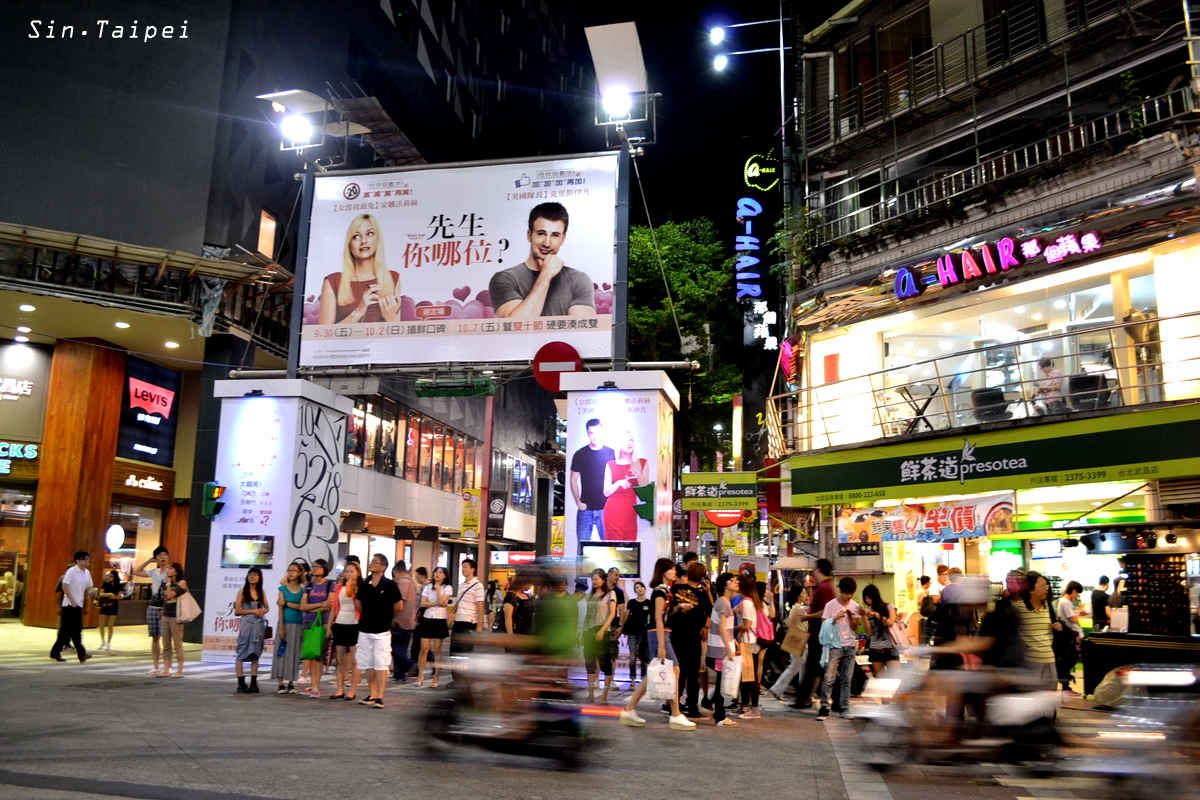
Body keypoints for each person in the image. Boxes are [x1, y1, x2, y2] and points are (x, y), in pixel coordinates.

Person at [618, 558, 696, 731]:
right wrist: (661, 644)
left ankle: (629, 709)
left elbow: (661, 615)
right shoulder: (660, 591)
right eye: (672, 569)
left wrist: (678, 607)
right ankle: (675, 715)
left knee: (653, 674)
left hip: (659, 634)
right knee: (674, 670)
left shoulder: (664, 590)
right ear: (663, 572)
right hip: (659, 634)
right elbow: (658, 619)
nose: (675, 571)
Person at [488, 202, 595, 318]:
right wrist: (546, 275)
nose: (547, 243)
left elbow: (582, 331)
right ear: (529, 235)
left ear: (563, 239)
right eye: (541, 234)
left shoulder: (578, 280)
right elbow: (516, 326)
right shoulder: (505, 279)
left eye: (555, 235)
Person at [318, 213, 401, 324]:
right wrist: (358, 312)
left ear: (378, 239)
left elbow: (396, 334)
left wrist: (391, 318)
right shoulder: (333, 281)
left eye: (370, 234)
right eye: (356, 236)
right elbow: (323, 335)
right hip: (344, 342)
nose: (363, 241)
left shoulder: (393, 278)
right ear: (349, 245)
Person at [355, 553, 402, 709]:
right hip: (365, 628)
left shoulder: (390, 585)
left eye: (375, 562)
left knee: (381, 663)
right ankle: (372, 693)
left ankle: (380, 696)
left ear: (383, 567)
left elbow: (399, 606)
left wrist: (388, 618)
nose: (371, 564)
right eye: (371, 561)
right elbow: (358, 604)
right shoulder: (364, 583)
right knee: (367, 663)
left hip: (382, 630)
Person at [817, 577, 866, 721]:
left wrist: (851, 618)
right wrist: (835, 618)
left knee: (847, 679)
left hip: (850, 646)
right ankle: (824, 707)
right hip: (834, 646)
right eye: (846, 593)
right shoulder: (830, 605)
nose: (849, 596)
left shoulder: (855, 606)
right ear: (840, 590)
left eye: (851, 593)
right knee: (828, 678)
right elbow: (824, 625)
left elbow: (855, 628)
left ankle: (845, 708)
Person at [792, 558, 836, 710]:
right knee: (819, 668)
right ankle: (807, 698)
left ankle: (803, 699)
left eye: (815, 569)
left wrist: (807, 617)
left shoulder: (824, 588)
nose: (813, 572)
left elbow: (826, 611)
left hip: (819, 635)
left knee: (813, 668)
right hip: (820, 634)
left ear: (819, 570)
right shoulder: (826, 587)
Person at [1014, 571, 1063, 689]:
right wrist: (1025, 646)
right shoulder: (1018, 608)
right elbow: (1010, 634)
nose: (1046, 589)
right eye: (1042, 585)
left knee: (1049, 696)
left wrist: (1059, 626)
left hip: (1049, 658)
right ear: (1031, 589)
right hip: (1030, 661)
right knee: (1031, 696)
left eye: (1047, 585)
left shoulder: (1048, 606)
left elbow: (1055, 625)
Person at [706, 572, 741, 727]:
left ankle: (716, 710)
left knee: (721, 682)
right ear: (725, 584)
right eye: (733, 581)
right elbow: (721, 627)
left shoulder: (724, 601)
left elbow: (725, 627)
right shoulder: (723, 602)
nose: (736, 582)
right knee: (721, 683)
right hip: (720, 650)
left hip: (720, 647)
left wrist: (733, 641)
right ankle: (720, 716)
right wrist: (730, 649)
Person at [766, 580, 811, 701]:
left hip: (798, 640)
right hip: (799, 640)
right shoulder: (797, 609)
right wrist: (803, 635)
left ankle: (781, 690)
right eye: (803, 593)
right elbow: (791, 625)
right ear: (798, 595)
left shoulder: (797, 608)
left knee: (797, 667)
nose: (806, 595)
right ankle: (782, 690)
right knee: (798, 667)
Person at [602, 431, 648, 542]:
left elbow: (646, 490)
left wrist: (639, 476)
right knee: (612, 545)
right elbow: (606, 492)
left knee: (630, 545)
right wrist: (617, 484)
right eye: (625, 441)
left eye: (631, 440)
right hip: (613, 511)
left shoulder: (642, 463)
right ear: (619, 444)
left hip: (631, 512)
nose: (629, 443)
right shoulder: (611, 464)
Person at [299, 559, 336, 698]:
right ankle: (312, 685)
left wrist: (314, 607)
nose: (315, 569)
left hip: (323, 624)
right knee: (310, 655)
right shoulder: (308, 586)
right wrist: (320, 604)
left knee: (319, 656)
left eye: (318, 567)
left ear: (324, 569)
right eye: (313, 566)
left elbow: (329, 606)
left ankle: (316, 687)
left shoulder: (330, 585)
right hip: (308, 623)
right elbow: (303, 607)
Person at [50, 551, 94, 664]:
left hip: (79, 605)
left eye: (88, 558)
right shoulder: (72, 571)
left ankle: (55, 652)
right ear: (78, 560)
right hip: (70, 605)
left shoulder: (87, 573)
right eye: (84, 559)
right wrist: (73, 601)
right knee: (75, 631)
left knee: (67, 632)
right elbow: (64, 586)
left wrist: (92, 593)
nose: (87, 561)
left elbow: (90, 586)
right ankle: (82, 653)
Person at [133, 546, 170, 675]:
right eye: (159, 555)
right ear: (156, 558)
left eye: (165, 555)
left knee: (166, 638)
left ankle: (167, 666)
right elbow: (136, 572)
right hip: (152, 607)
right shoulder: (154, 571)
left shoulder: (171, 571)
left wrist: (165, 607)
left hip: (165, 607)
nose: (162, 557)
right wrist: (148, 561)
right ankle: (156, 666)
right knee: (155, 638)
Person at [582, 568, 617, 703]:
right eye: (592, 579)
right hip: (589, 631)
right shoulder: (589, 595)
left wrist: (602, 630)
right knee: (590, 662)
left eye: (596, 579)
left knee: (605, 663)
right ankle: (590, 693)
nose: (594, 582)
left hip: (603, 631)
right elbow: (587, 615)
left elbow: (613, 614)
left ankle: (604, 695)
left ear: (603, 580)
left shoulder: (610, 594)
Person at [233, 567, 269, 694]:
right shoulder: (242, 592)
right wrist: (253, 611)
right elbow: (237, 611)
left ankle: (254, 682)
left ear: (260, 577)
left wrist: (263, 611)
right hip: (247, 624)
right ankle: (241, 682)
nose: (252, 576)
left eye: (255, 574)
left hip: (258, 625)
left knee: (256, 653)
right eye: (250, 574)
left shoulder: (261, 592)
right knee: (241, 652)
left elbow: (267, 607)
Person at [329, 560, 361, 701]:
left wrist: (353, 589)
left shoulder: (360, 588)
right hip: (340, 622)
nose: (348, 574)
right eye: (347, 571)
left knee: (355, 660)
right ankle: (340, 689)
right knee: (340, 659)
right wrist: (329, 626)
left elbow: (360, 605)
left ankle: (352, 690)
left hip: (355, 623)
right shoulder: (338, 588)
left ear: (358, 573)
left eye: (352, 571)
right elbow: (334, 608)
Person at [271, 562, 306, 694]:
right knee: (281, 653)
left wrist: (287, 603)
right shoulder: (282, 589)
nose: (291, 573)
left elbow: (301, 607)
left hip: (298, 624)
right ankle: (280, 684)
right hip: (284, 623)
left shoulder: (303, 590)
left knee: (294, 653)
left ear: (299, 573)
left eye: (294, 570)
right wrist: (281, 627)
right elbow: (280, 607)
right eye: (289, 570)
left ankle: (291, 683)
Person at [734, 573, 763, 720]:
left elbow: (746, 625)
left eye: (738, 583)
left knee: (750, 678)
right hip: (750, 642)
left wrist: (732, 629)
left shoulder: (746, 603)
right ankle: (745, 705)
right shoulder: (750, 601)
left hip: (748, 643)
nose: (736, 585)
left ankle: (755, 709)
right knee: (746, 677)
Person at [417, 566, 451, 688]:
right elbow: (423, 603)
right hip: (427, 618)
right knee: (424, 648)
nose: (437, 574)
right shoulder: (426, 587)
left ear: (445, 576)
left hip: (440, 620)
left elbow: (443, 601)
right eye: (436, 572)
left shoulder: (448, 588)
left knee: (437, 650)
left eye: (440, 573)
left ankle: (436, 676)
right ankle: (420, 675)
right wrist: (437, 604)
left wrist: (437, 589)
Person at [861, 584, 900, 677]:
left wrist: (877, 615)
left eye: (869, 598)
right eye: (865, 598)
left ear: (875, 596)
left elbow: (890, 622)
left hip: (890, 648)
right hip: (875, 649)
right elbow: (870, 632)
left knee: (896, 678)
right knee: (881, 680)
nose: (867, 601)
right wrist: (863, 616)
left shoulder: (889, 606)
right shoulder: (868, 612)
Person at [449, 558, 486, 657]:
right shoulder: (461, 585)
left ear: (472, 569)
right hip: (458, 621)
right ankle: (455, 672)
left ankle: (464, 671)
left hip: (469, 622)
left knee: (466, 651)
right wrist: (452, 614)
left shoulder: (478, 586)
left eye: (465, 567)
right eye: (462, 567)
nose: (463, 569)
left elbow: (480, 606)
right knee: (454, 651)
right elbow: (459, 602)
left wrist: (479, 625)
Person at [390, 562, 419, 684]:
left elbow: (400, 601)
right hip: (411, 620)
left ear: (397, 571)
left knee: (395, 648)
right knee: (403, 647)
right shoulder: (412, 582)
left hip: (401, 619)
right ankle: (399, 673)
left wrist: (393, 617)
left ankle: (410, 664)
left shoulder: (403, 582)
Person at [1055, 580, 1086, 694]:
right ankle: (1065, 682)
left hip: (1072, 635)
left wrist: (1077, 613)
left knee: (1072, 659)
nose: (1077, 596)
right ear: (1073, 591)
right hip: (1072, 636)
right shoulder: (1065, 602)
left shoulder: (1063, 601)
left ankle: (1065, 683)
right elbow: (1072, 619)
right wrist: (1079, 610)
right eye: (1077, 593)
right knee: (1071, 659)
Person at [159, 563, 189, 679]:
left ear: (176, 571)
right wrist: (163, 608)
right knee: (166, 644)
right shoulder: (169, 584)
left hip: (177, 617)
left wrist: (167, 583)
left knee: (177, 644)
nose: (168, 570)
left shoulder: (182, 583)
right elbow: (166, 598)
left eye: (171, 568)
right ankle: (167, 669)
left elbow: (171, 595)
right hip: (166, 615)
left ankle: (180, 670)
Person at [623, 581, 653, 683]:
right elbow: (626, 616)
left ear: (645, 589)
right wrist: (622, 627)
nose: (639, 589)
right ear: (635, 590)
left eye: (641, 587)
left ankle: (644, 678)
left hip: (644, 633)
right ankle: (632, 679)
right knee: (632, 656)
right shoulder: (631, 602)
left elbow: (652, 617)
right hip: (632, 631)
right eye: (637, 587)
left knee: (643, 656)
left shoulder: (649, 603)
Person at [605, 567, 627, 682]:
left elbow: (622, 610)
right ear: (609, 575)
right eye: (615, 575)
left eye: (619, 575)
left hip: (613, 626)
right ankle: (595, 681)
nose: (617, 577)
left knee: (612, 655)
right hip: (599, 625)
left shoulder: (619, 592)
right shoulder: (600, 588)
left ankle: (610, 680)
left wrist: (621, 626)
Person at [97, 569, 123, 651]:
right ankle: (102, 641)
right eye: (109, 576)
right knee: (101, 625)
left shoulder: (119, 585)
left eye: (111, 576)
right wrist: (108, 594)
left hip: (113, 606)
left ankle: (108, 642)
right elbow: (101, 593)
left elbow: (119, 596)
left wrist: (114, 597)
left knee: (110, 626)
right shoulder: (105, 584)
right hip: (104, 605)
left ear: (115, 577)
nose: (109, 577)